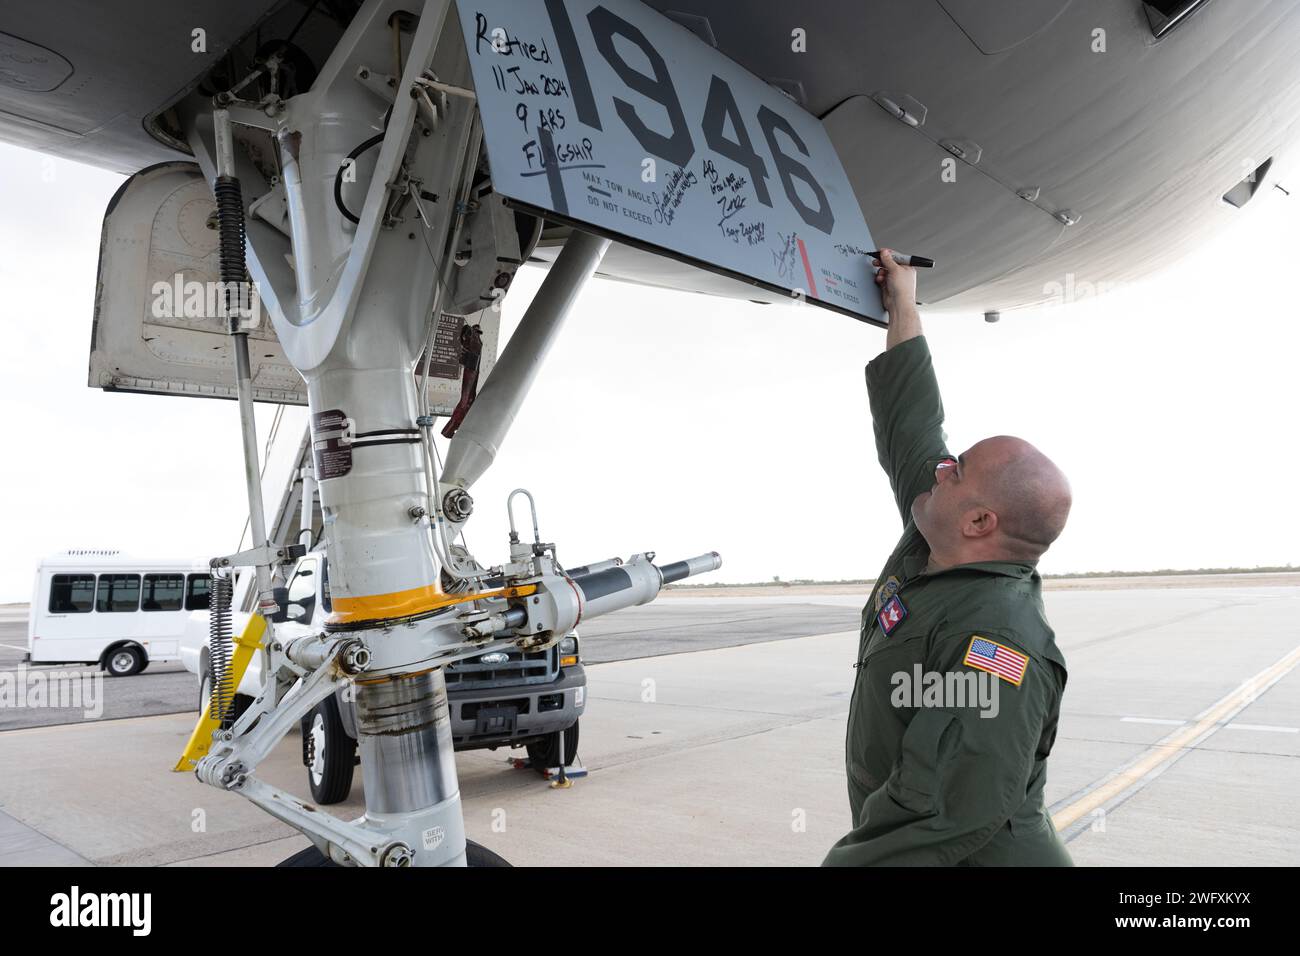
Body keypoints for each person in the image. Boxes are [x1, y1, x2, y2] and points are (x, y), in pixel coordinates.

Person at [822, 249, 1074, 866]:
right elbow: (912, 427)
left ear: (980, 522)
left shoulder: (994, 640)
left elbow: (935, 813)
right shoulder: (934, 543)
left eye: (955, 471)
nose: (939, 467)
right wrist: (904, 302)